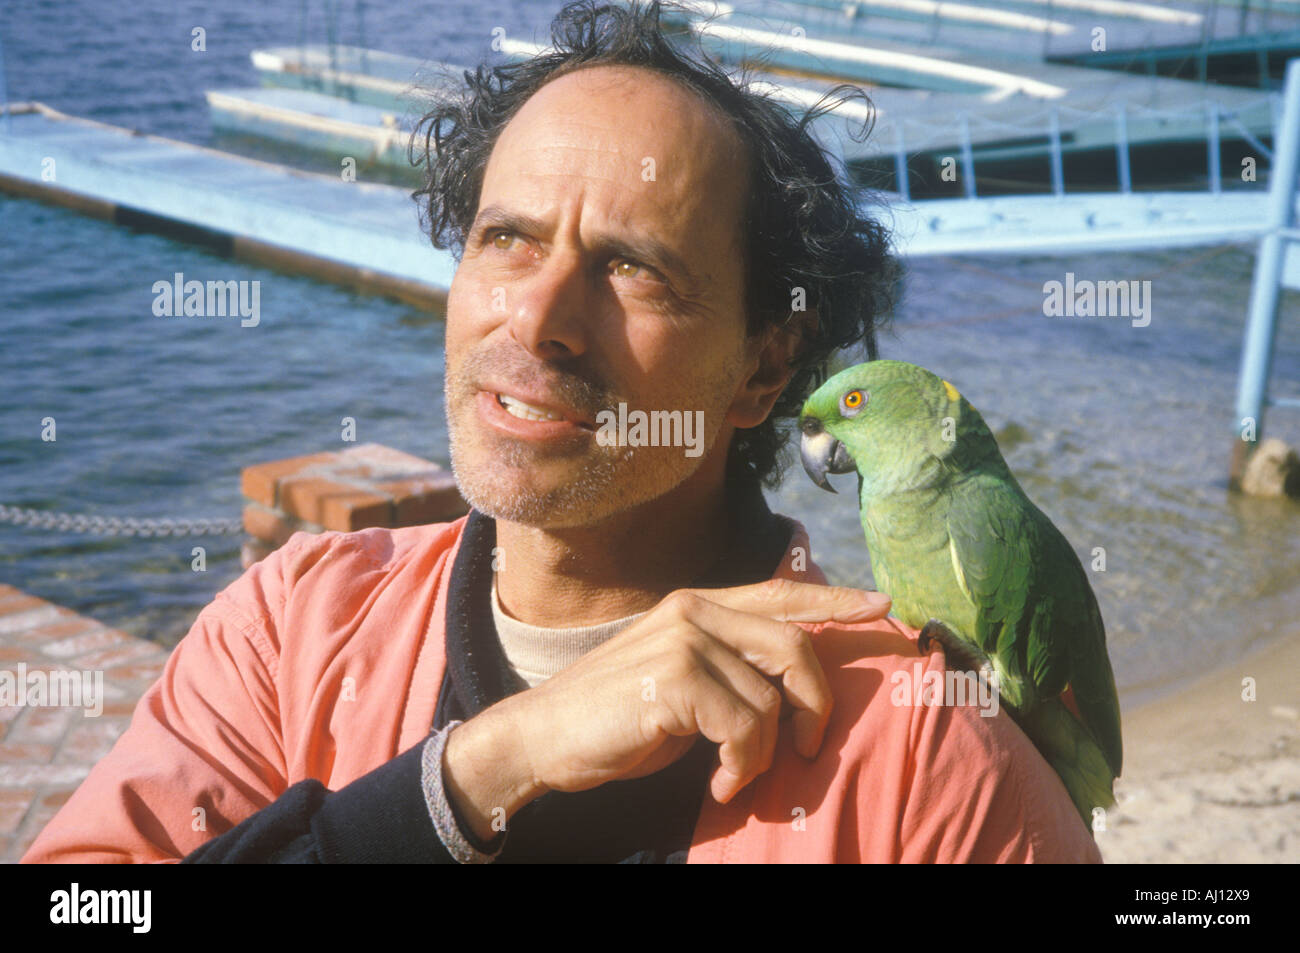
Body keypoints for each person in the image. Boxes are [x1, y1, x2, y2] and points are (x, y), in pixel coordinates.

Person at [22, 1, 1100, 863]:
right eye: (506, 239)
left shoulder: (919, 755)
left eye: (633, 267)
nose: (536, 319)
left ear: (765, 366)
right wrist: (466, 780)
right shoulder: (290, 632)